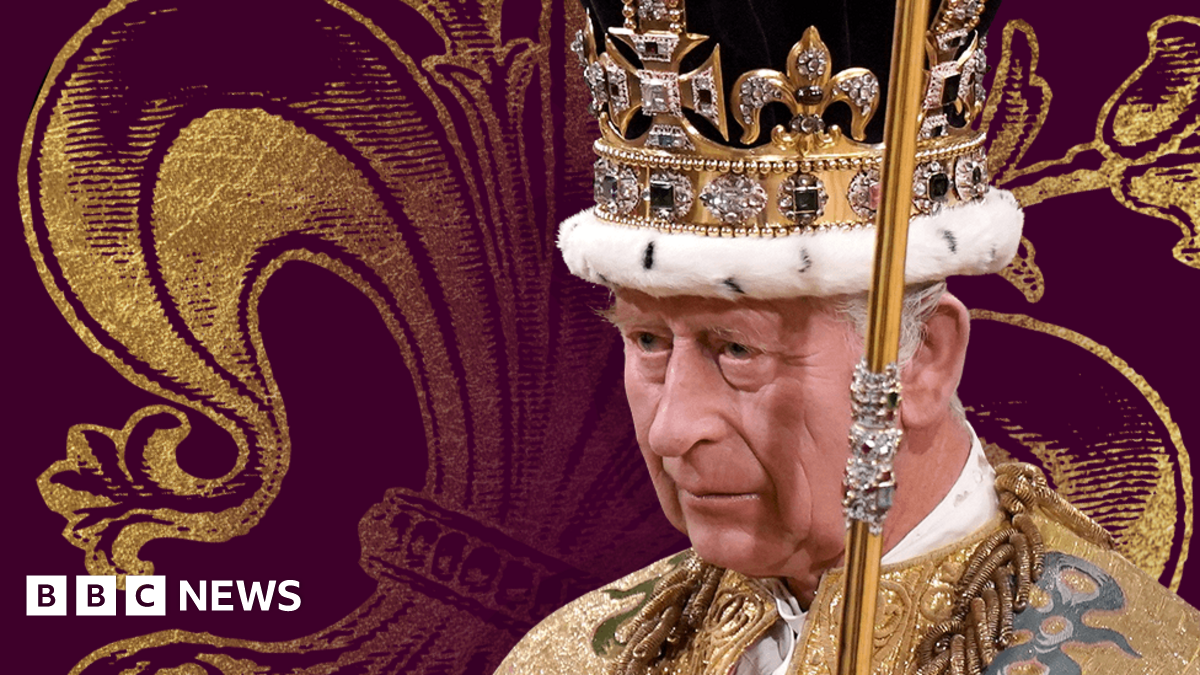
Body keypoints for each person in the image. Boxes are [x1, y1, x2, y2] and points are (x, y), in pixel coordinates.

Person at [498, 0, 1200, 673]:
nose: (672, 429)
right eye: (648, 340)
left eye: (737, 349)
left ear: (924, 360)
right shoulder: (567, 658)